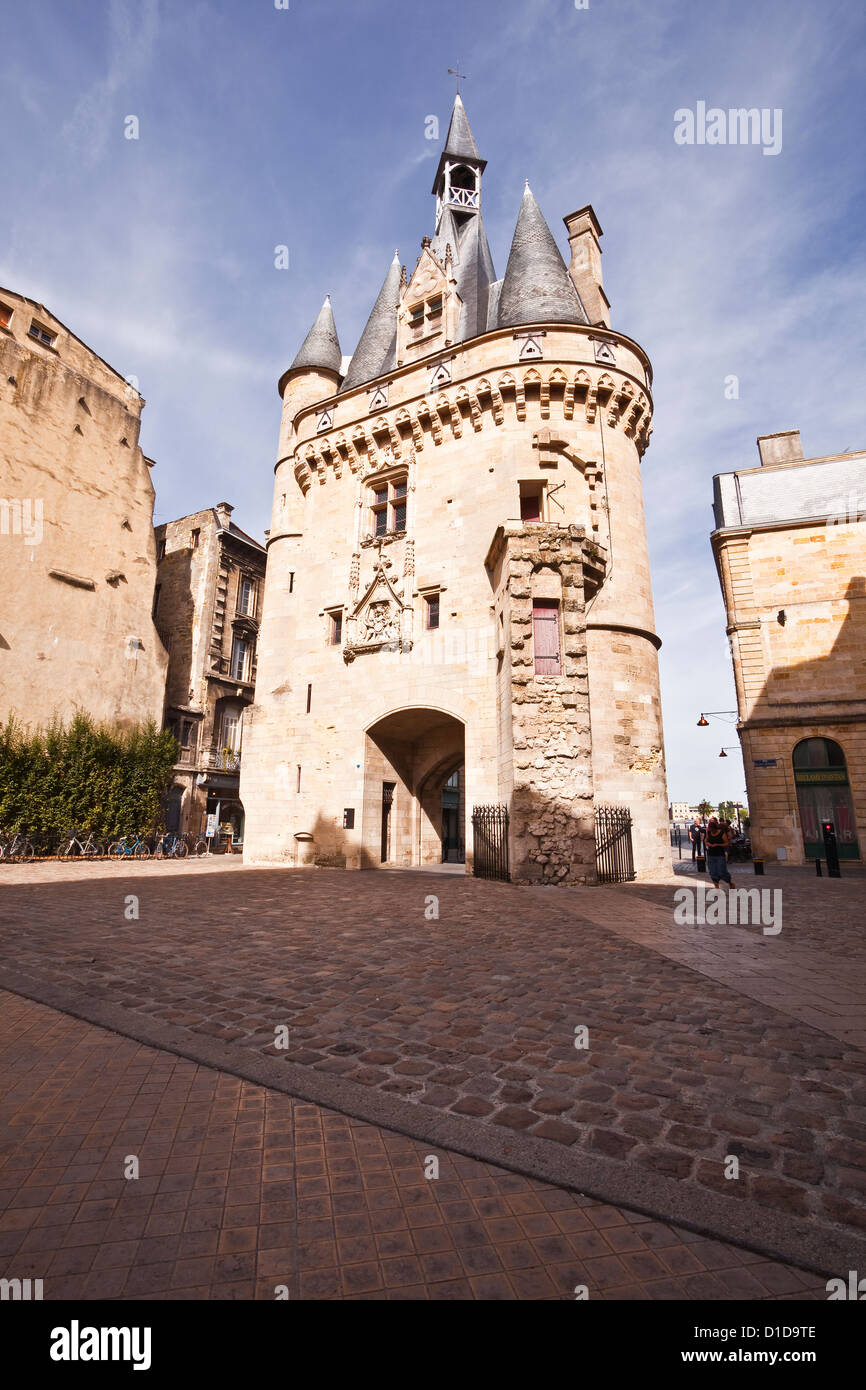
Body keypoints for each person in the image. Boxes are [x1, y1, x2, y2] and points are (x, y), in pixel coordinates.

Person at [704, 815, 732, 887]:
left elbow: (727, 843)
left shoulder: (721, 833)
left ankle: (730, 883)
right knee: (712, 872)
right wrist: (708, 844)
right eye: (710, 829)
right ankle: (717, 887)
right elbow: (705, 841)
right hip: (711, 854)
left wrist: (718, 844)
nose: (711, 831)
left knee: (722, 872)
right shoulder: (709, 833)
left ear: (715, 828)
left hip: (720, 854)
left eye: (712, 829)